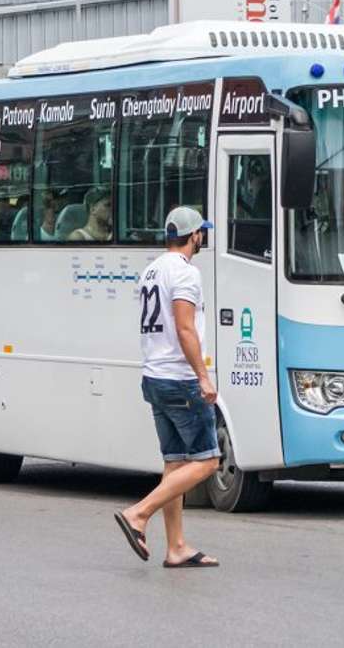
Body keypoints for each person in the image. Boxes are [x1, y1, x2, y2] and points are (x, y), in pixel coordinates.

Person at [115, 207, 221, 569]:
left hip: (154, 376)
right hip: (179, 378)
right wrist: (203, 376)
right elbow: (185, 327)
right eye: (201, 232)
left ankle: (176, 546)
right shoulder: (186, 273)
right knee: (208, 461)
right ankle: (138, 514)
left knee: (175, 463)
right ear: (194, 236)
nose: (202, 237)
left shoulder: (152, 269)